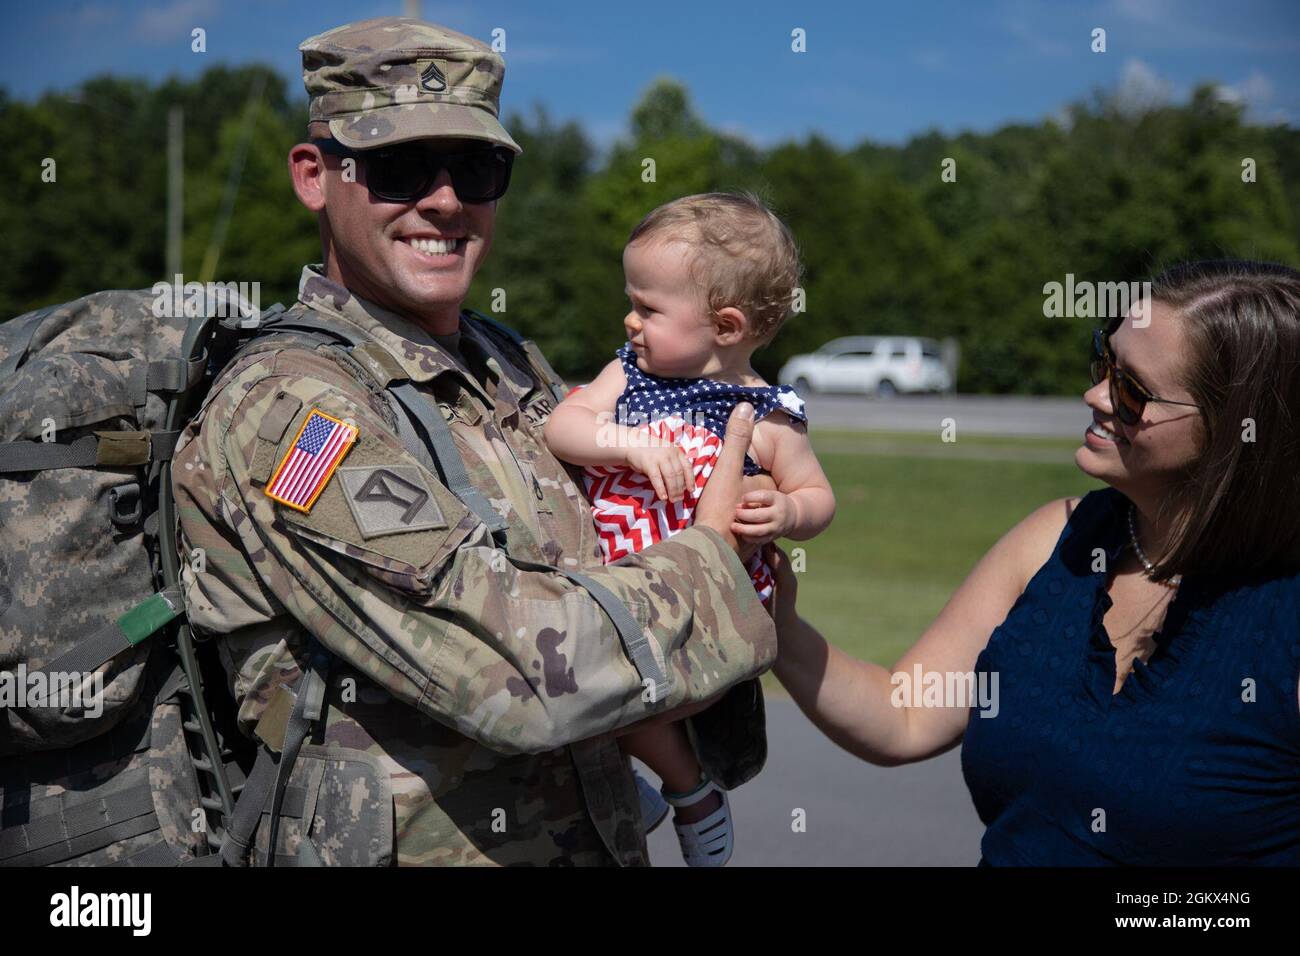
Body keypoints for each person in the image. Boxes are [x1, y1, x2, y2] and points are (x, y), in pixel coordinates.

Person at [171, 16, 776, 867]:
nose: (446, 200)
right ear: (315, 176)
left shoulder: (502, 361)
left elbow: (600, 560)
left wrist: (750, 524)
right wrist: (714, 564)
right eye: (400, 167)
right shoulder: (292, 408)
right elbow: (519, 674)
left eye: (478, 168)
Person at [766, 259, 1300, 865]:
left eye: (1131, 392)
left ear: (1234, 429)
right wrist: (775, 623)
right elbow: (905, 714)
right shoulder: (1057, 541)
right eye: (1105, 360)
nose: (1094, 395)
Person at [543, 192, 835, 865]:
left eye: (648, 307)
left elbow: (818, 498)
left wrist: (789, 513)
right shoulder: (629, 377)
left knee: (624, 705)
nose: (630, 318)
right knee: (569, 687)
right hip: (616, 590)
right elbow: (563, 424)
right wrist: (622, 442)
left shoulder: (769, 416)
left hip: (711, 610)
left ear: (725, 326)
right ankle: (643, 783)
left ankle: (689, 790)